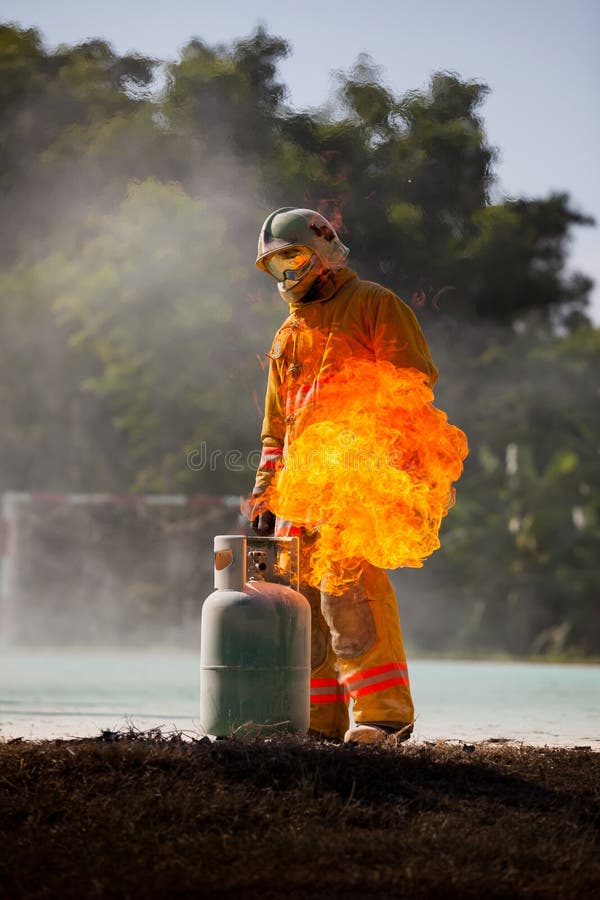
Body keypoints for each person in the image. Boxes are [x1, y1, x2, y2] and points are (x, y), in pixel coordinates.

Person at [249, 207, 438, 744]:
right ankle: (320, 725)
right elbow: (275, 429)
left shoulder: (375, 305)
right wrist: (265, 491)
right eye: (277, 267)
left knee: (351, 596)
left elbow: (411, 385)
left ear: (325, 250)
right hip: (298, 494)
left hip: (356, 483)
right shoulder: (287, 335)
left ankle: (384, 716)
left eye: (295, 260)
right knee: (301, 608)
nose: (287, 276)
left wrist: (381, 461)